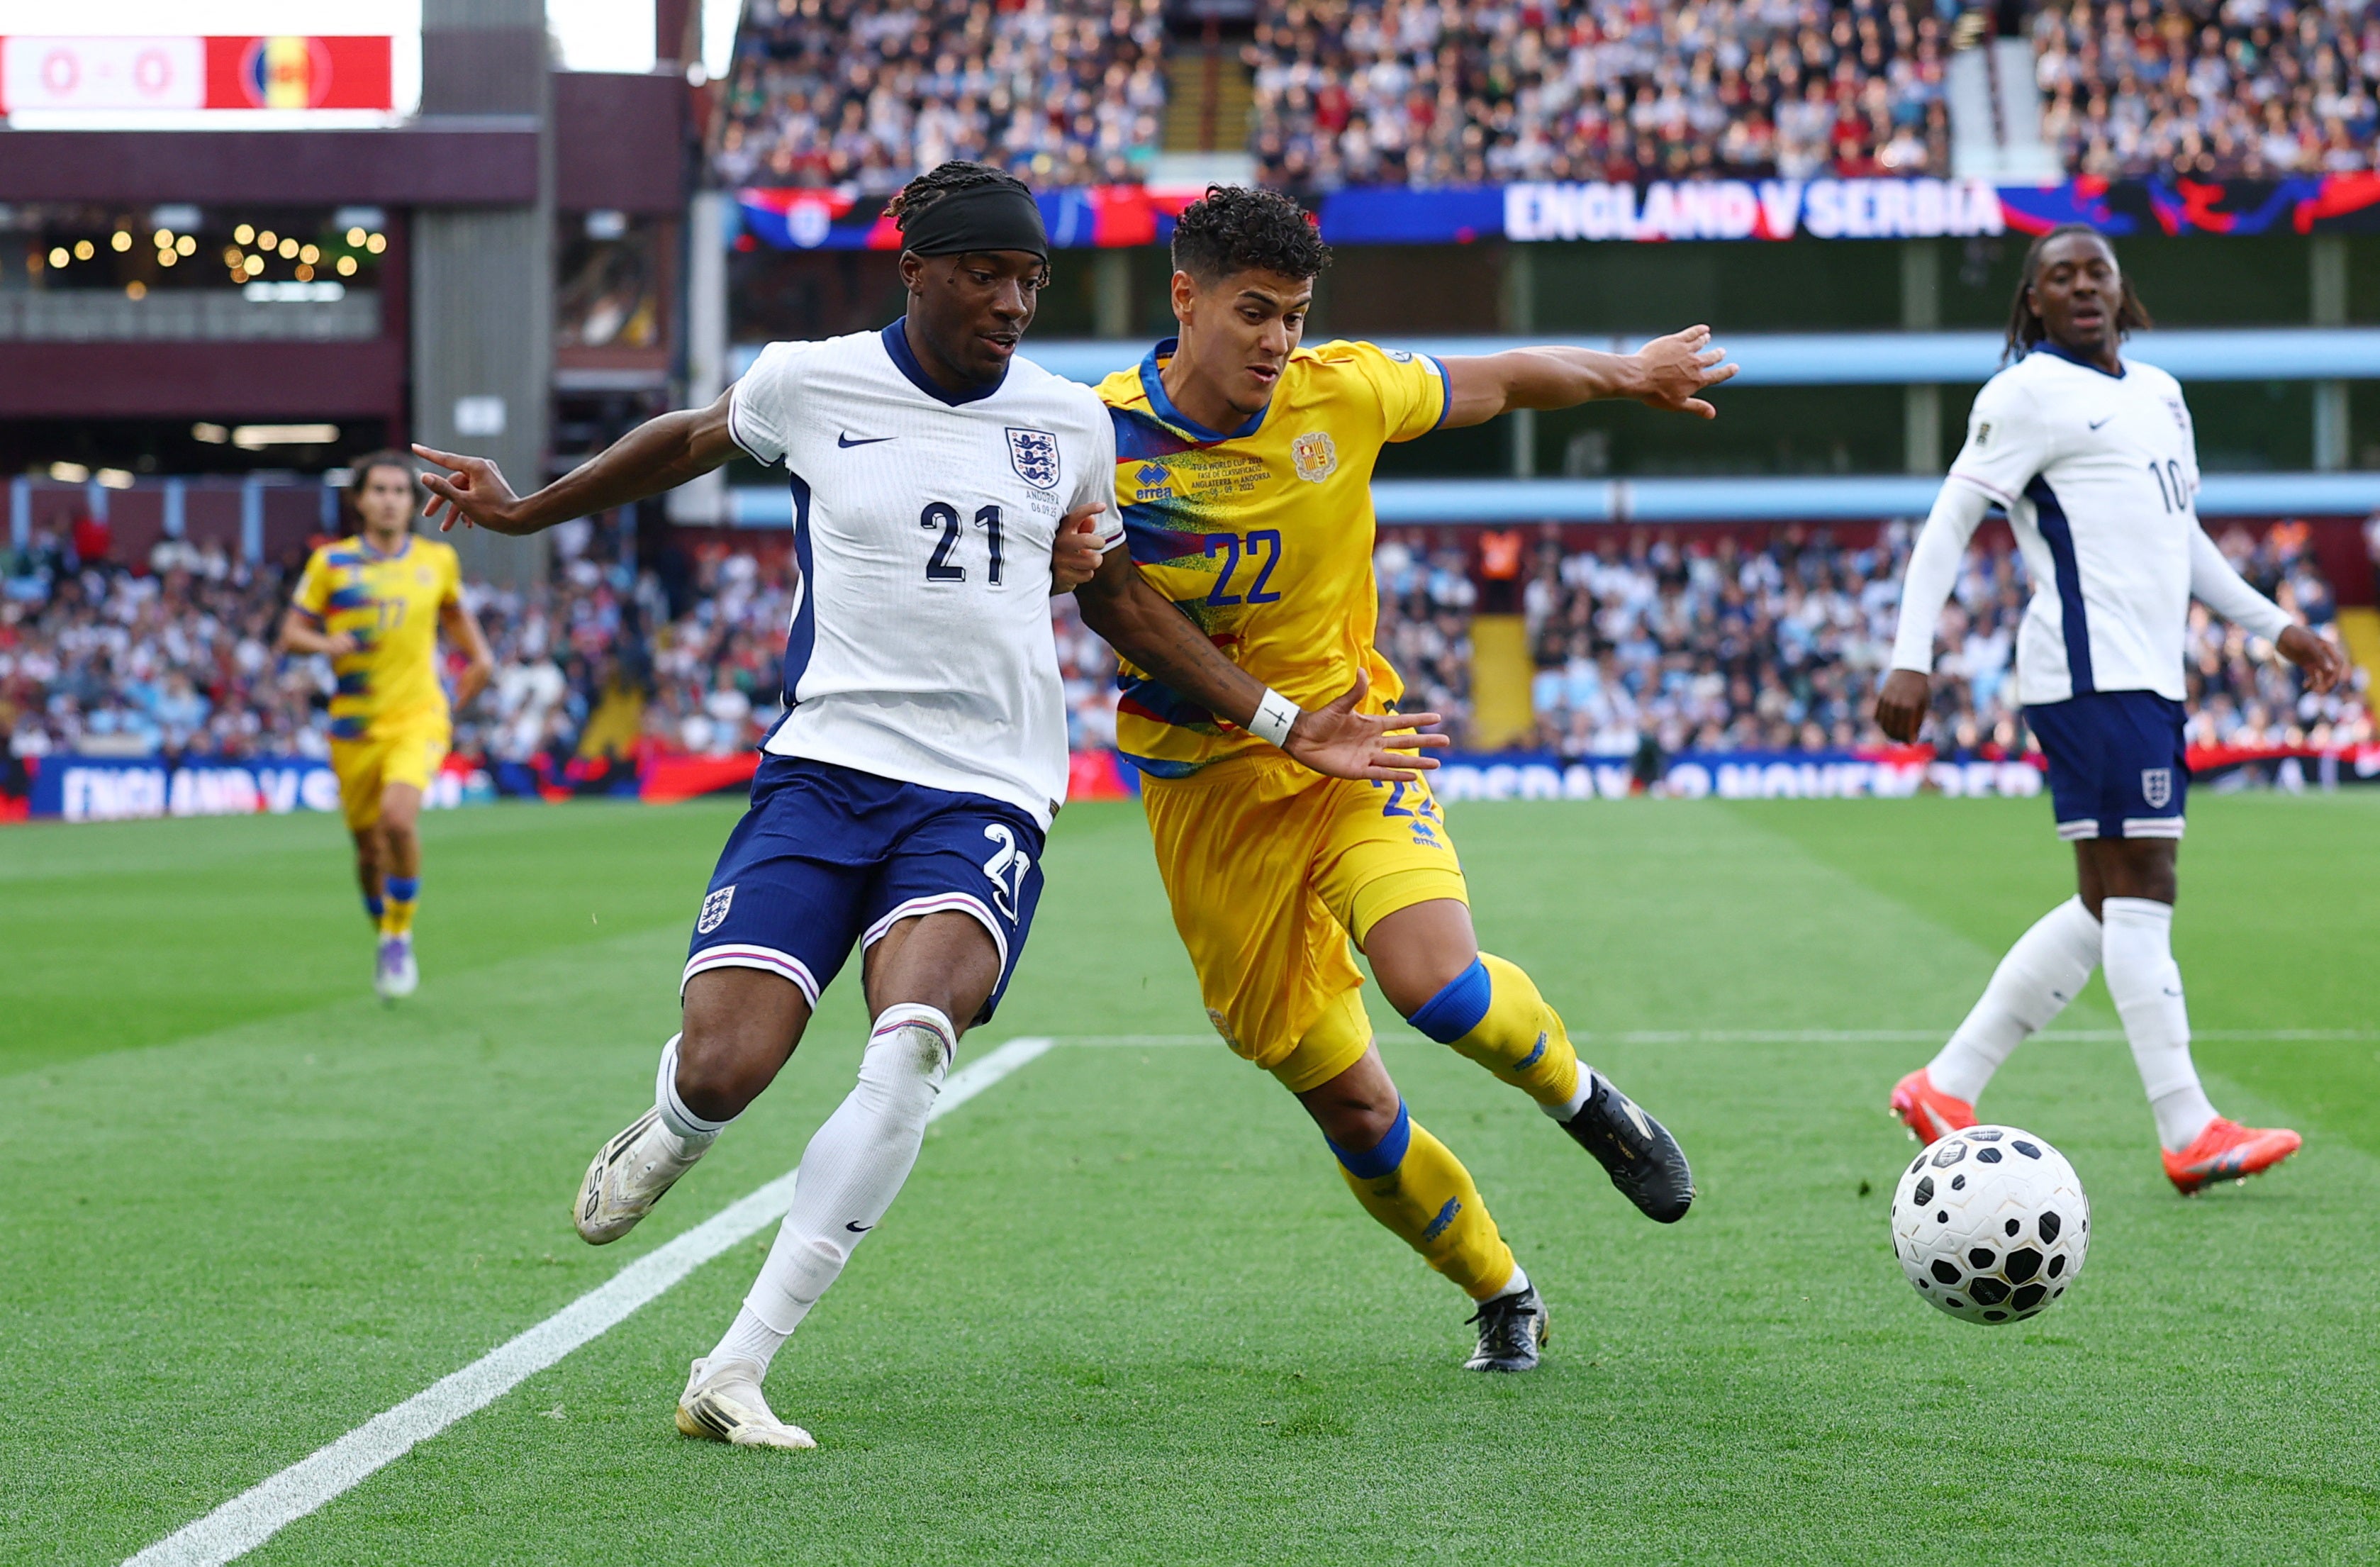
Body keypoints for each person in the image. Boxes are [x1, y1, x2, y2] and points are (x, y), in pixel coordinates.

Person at [411, 162, 1435, 1450]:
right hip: (825, 770)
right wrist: (524, 511)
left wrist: (1286, 724)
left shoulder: (1067, 422)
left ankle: (735, 1367)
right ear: (917, 274)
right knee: (730, 1065)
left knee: (914, 1038)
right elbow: (681, 441)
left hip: (987, 788)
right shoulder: (808, 380)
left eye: (1029, 281)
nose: (1012, 301)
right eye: (987, 277)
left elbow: (1117, 599)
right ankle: (676, 1119)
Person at [1078, 186, 1734, 1373]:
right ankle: (1501, 1286)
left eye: (1294, 315)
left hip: (1353, 750)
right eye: (1254, 312)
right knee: (1356, 1110)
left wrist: (1626, 372)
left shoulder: (1344, 391)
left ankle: (1587, 1102)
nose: (1278, 342)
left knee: (1435, 984)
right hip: (1207, 801)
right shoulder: (1093, 438)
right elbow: (1078, 592)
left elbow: (1501, 379)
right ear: (1185, 299)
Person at [1877, 224, 2348, 1195]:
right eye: (2060, 276)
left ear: (2120, 286)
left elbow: (2183, 537)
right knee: (2144, 885)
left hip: (2147, 674)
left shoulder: (2161, 395)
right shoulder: (2024, 395)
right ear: (2033, 301)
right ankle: (2187, 1126)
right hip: (2087, 674)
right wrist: (1909, 659)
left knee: (2110, 901)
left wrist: (2276, 628)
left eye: (2096, 271)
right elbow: (1948, 522)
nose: (2082, 286)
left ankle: (1946, 1082)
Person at [277, 453, 493, 1000]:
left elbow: (453, 614)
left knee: (398, 822)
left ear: (411, 501)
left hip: (418, 716)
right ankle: (385, 930)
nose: (391, 499)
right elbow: (291, 634)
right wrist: (325, 642)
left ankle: (398, 936)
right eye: (379, 490)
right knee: (367, 850)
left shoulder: (436, 560)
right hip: (352, 726)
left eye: (400, 490)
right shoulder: (331, 564)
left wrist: (482, 659)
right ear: (359, 500)